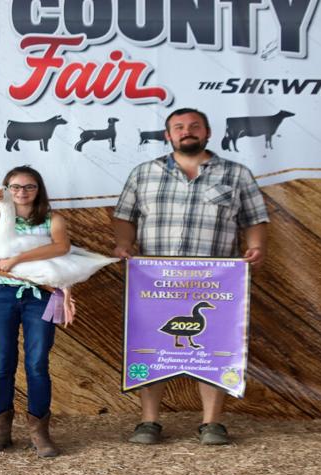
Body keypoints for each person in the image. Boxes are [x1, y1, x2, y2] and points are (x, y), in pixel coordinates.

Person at [111, 108, 268, 446]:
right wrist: (124, 243)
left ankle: (212, 422)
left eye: (194, 126)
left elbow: (255, 218)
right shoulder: (144, 173)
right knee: (152, 347)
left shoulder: (236, 173)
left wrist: (255, 246)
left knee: (213, 346)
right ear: (168, 135)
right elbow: (125, 215)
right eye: (178, 127)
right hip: (155, 281)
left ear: (208, 132)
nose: (187, 131)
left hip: (215, 280)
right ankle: (149, 421)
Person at [0, 166, 70, 457]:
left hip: (41, 297)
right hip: (3, 294)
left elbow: (62, 248)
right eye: (14, 187)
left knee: (37, 362)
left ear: (38, 189)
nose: (21, 192)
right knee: (3, 362)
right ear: (5, 191)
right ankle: (0, 429)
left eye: (29, 187)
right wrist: (40, 274)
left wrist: (18, 258)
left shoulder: (54, 220)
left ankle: (39, 430)